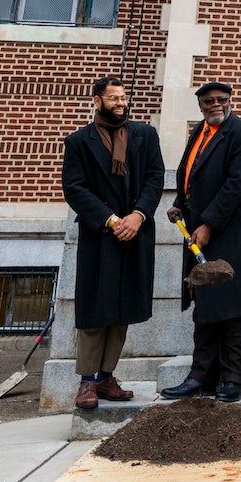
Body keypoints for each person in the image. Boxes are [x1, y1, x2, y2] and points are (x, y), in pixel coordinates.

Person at [60, 76, 165, 410]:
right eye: (113, 98)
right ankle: (86, 381)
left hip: (136, 231)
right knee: (95, 308)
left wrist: (138, 216)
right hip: (100, 235)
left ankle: (107, 377)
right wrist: (110, 219)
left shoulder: (145, 135)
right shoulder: (79, 141)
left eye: (123, 97)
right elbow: (74, 187)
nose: (121, 103)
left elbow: (155, 178)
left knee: (122, 308)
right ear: (97, 101)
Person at [160, 82, 241, 403]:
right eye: (209, 101)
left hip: (232, 235)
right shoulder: (199, 132)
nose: (216, 105)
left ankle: (234, 379)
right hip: (200, 232)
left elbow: (237, 183)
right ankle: (201, 376)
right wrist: (180, 202)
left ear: (231, 101)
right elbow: (191, 175)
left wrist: (208, 224)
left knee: (233, 308)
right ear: (200, 105)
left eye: (222, 100)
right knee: (204, 305)